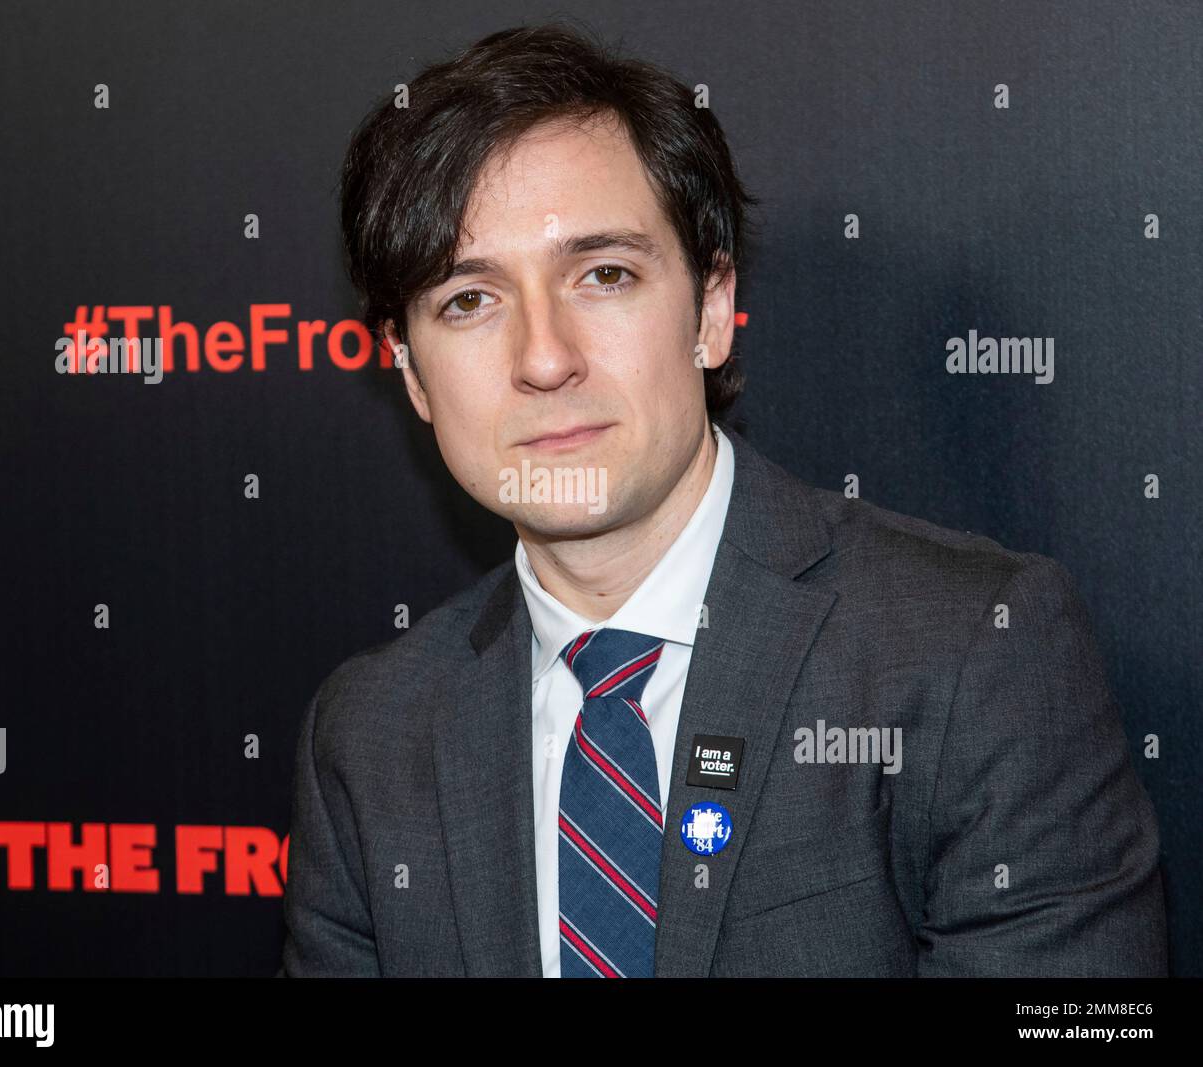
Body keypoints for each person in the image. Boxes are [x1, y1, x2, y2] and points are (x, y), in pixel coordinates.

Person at [280, 22, 1167, 977]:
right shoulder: (370, 736)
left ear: (710, 310)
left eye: (604, 275)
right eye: (469, 301)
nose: (543, 358)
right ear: (411, 374)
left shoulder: (972, 652)